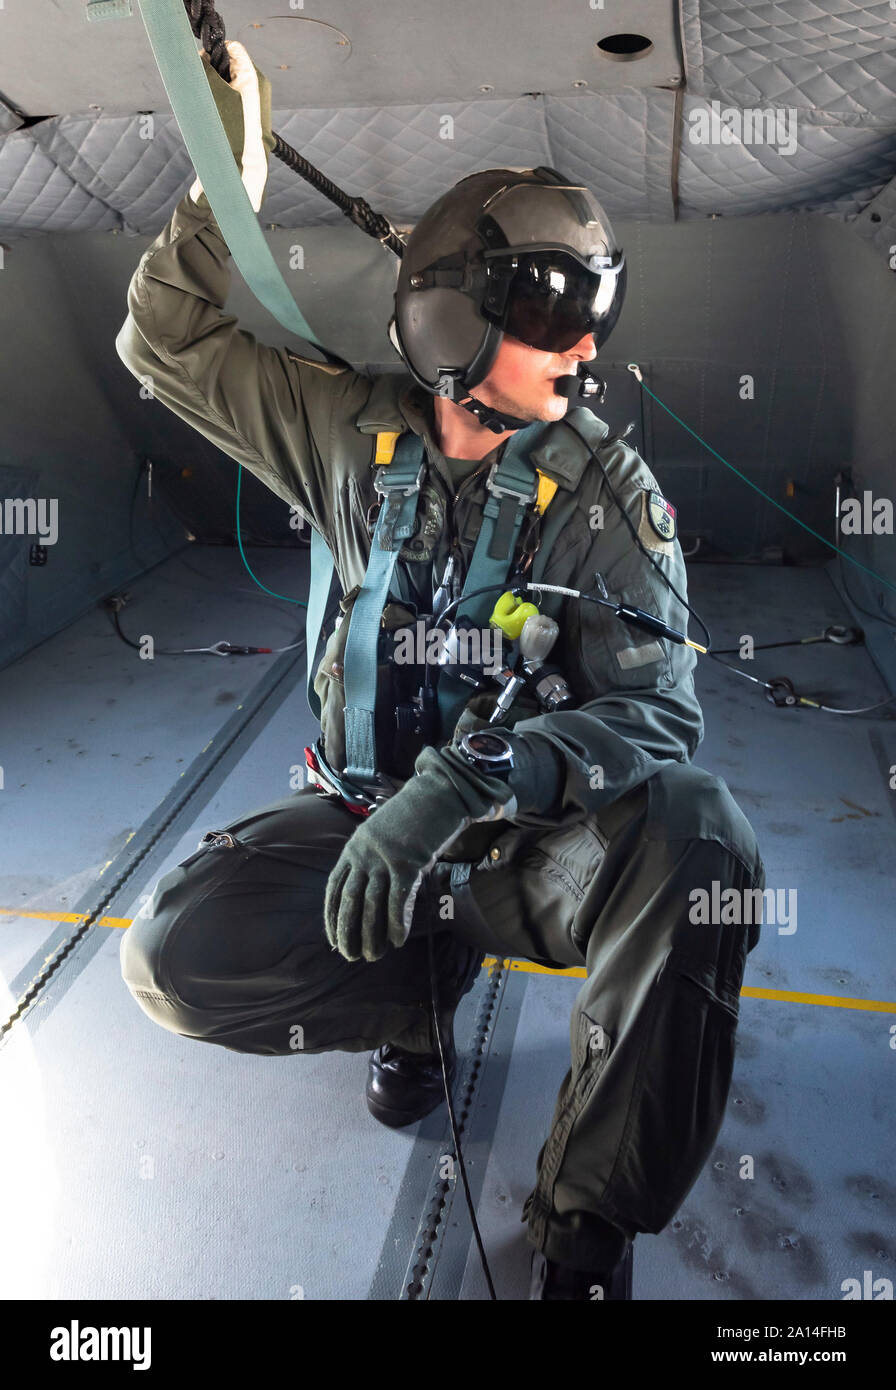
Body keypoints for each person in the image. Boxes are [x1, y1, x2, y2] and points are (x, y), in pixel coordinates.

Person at [115, 40, 765, 1301]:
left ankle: (582, 1226)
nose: (581, 348)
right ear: (453, 315)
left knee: (703, 840)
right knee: (171, 955)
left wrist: (471, 782)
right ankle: (414, 997)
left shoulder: (606, 492)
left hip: (528, 851)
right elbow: (162, 340)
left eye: (595, 311)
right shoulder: (337, 429)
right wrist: (221, 185)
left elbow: (655, 710)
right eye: (547, 313)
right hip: (363, 826)